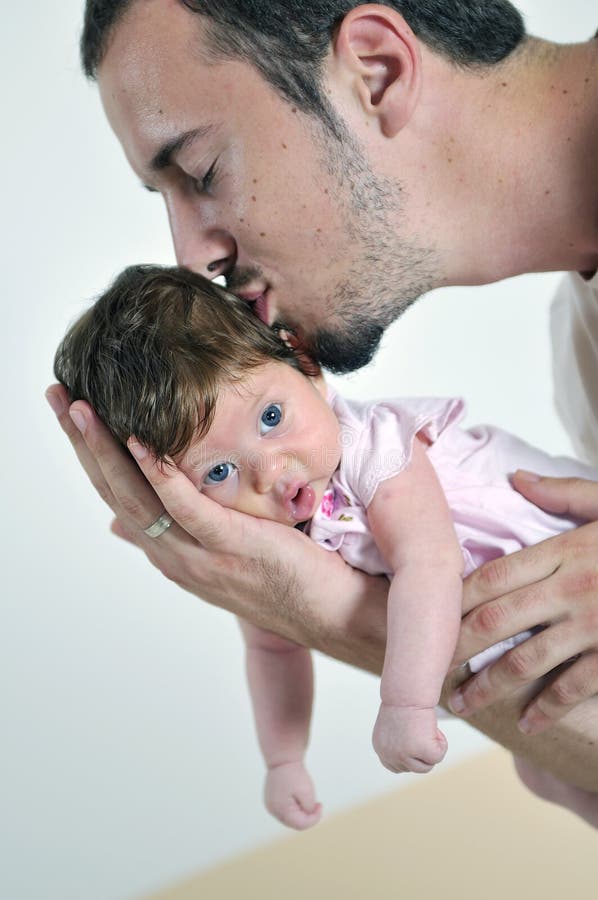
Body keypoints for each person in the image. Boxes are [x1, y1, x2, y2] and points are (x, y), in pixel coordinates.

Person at [45, 0, 598, 810]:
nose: (191, 258)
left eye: (201, 171)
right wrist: (322, 610)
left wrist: (342, 616)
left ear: (375, 70)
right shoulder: (580, 352)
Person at [53, 264, 598, 829]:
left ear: (307, 367)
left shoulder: (374, 445)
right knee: (541, 770)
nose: (270, 472)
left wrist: (405, 704)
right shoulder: (266, 546)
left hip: (562, 563)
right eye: (218, 471)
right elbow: (273, 648)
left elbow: (429, 564)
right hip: (525, 633)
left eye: (270, 418)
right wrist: (283, 758)